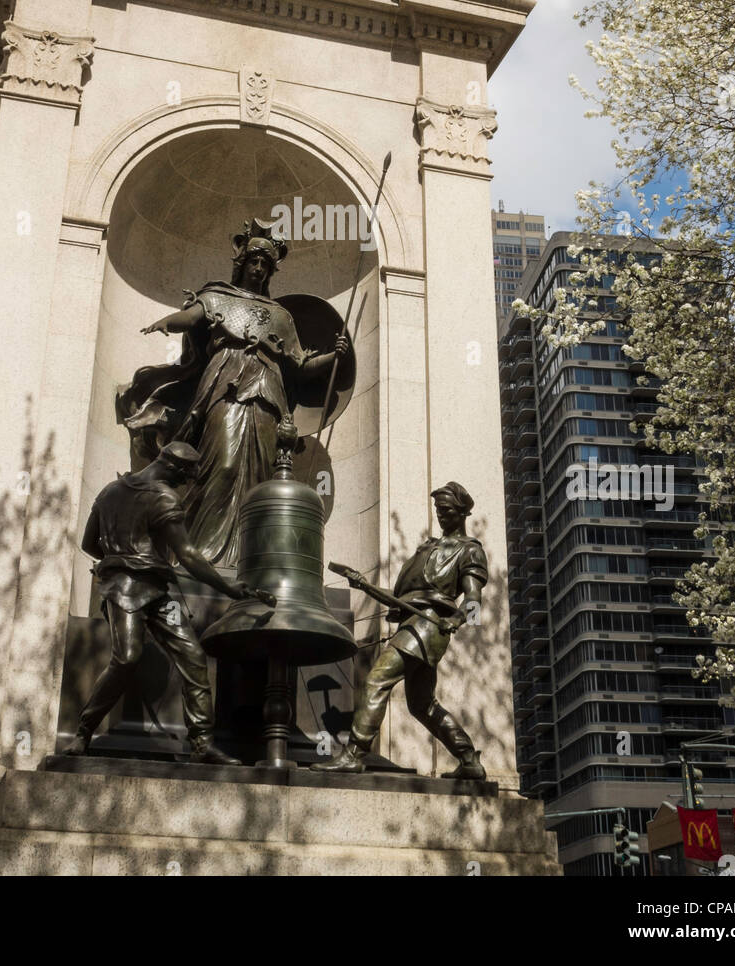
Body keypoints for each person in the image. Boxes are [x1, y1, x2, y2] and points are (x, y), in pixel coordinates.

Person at [118, 218, 348, 566]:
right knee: (222, 465)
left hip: (268, 398)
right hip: (225, 388)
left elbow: (299, 365)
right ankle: (202, 555)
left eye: (265, 265)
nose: (258, 268)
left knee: (259, 476)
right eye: (254, 261)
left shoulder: (281, 316)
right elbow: (193, 316)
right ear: (242, 263)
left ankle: (248, 560)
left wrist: (334, 357)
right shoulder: (218, 296)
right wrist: (167, 321)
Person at [64, 440, 272, 763]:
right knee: (127, 657)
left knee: (192, 655)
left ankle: (202, 744)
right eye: (186, 477)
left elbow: (90, 544)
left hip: (157, 592)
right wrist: (229, 589)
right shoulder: (163, 497)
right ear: (173, 469)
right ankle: (83, 732)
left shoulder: (108, 491)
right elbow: (188, 555)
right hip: (125, 590)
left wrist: (115, 559)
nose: (185, 484)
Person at [312, 482, 488, 780]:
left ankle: (354, 754)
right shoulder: (428, 547)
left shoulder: (469, 551)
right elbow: (402, 599)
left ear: (462, 513)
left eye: (446, 511)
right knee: (422, 705)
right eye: (438, 511)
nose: (441, 516)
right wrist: (363, 584)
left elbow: (473, 601)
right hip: (412, 625)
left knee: (375, 681)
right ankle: (468, 758)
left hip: (426, 628)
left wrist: (456, 620)